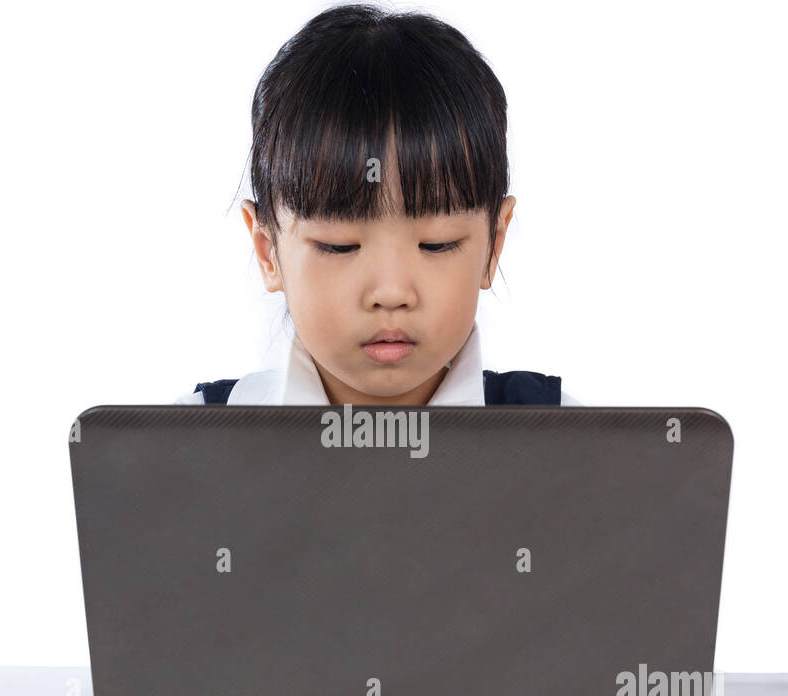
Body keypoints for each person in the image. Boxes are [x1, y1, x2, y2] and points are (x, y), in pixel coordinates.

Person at [174, 3, 579, 407]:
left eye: (436, 244)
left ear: (493, 245)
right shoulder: (184, 442)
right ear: (268, 252)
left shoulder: (573, 443)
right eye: (340, 245)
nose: (390, 292)